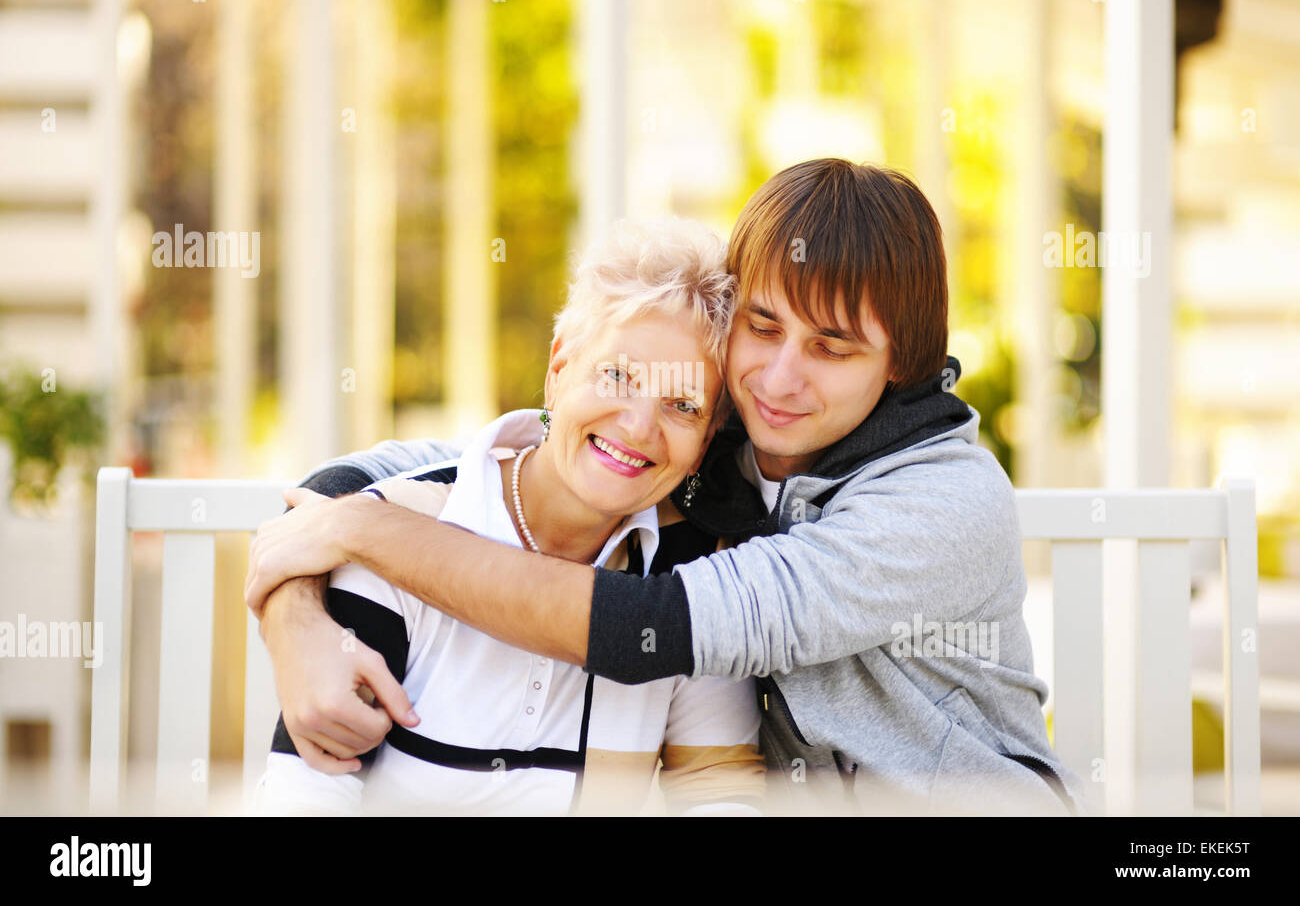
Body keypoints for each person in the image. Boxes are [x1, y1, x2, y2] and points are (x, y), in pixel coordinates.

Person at [247, 158, 1089, 815]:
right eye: (762, 327)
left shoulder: (941, 503)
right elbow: (423, 467)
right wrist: (297, 622)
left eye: (832, 349)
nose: (781, 378)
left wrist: (367, 533)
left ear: (899, 363)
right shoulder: (712, 431)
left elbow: (647, 628)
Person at [256, 217, 765, 815]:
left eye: (682, 405)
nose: (637, 426)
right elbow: (308, 796)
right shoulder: (393, 532)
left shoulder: (691, 572)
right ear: (558, 372)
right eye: (617, 376)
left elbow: (717, 789)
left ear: (705, 442)